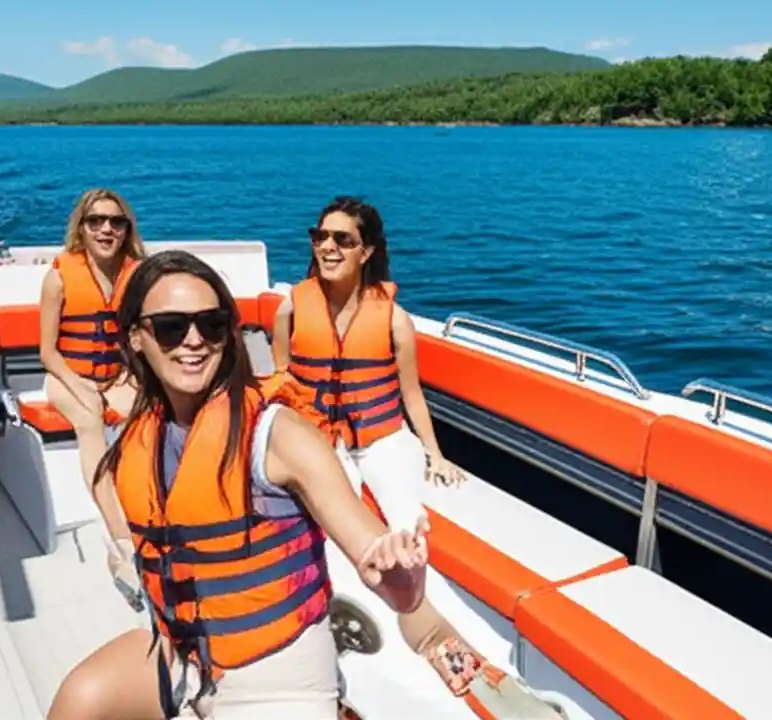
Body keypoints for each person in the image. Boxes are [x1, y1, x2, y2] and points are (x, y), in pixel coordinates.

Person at [46, 250, 430, 720]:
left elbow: (397, 586)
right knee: (78, 703)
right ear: (136, 338)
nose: (193, 340)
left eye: (211, 324)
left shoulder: (279, 435)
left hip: (277, 679)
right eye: (171, 326)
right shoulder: (140, 435)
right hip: (182, 657)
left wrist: (401, 573)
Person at [269, 197, 564, 718]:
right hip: (322, 438)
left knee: (407, 528)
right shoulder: (292, 308)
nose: (328, 247)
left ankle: (444, 639)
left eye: (343, 240)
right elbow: (282, 382)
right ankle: (341, 617)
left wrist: (434, 452)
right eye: (321, 236)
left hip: (381, 436)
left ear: (368, 251)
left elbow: (411, 394)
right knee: (331, 523)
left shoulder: (395, 318)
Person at [38, 188, 145, 589]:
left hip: (117, 375)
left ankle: (151, 510)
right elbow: (47, 353)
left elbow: (139, 337)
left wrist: (129, 376)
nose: (106, 229)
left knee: (148, 417)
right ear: (81, 228)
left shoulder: (137, 275)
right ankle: (120, 537)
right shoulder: (59, 278)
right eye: (96, 221)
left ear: (126, 229)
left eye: (115, 222)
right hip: (66, 376)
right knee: (90, 419)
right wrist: (79, 383)